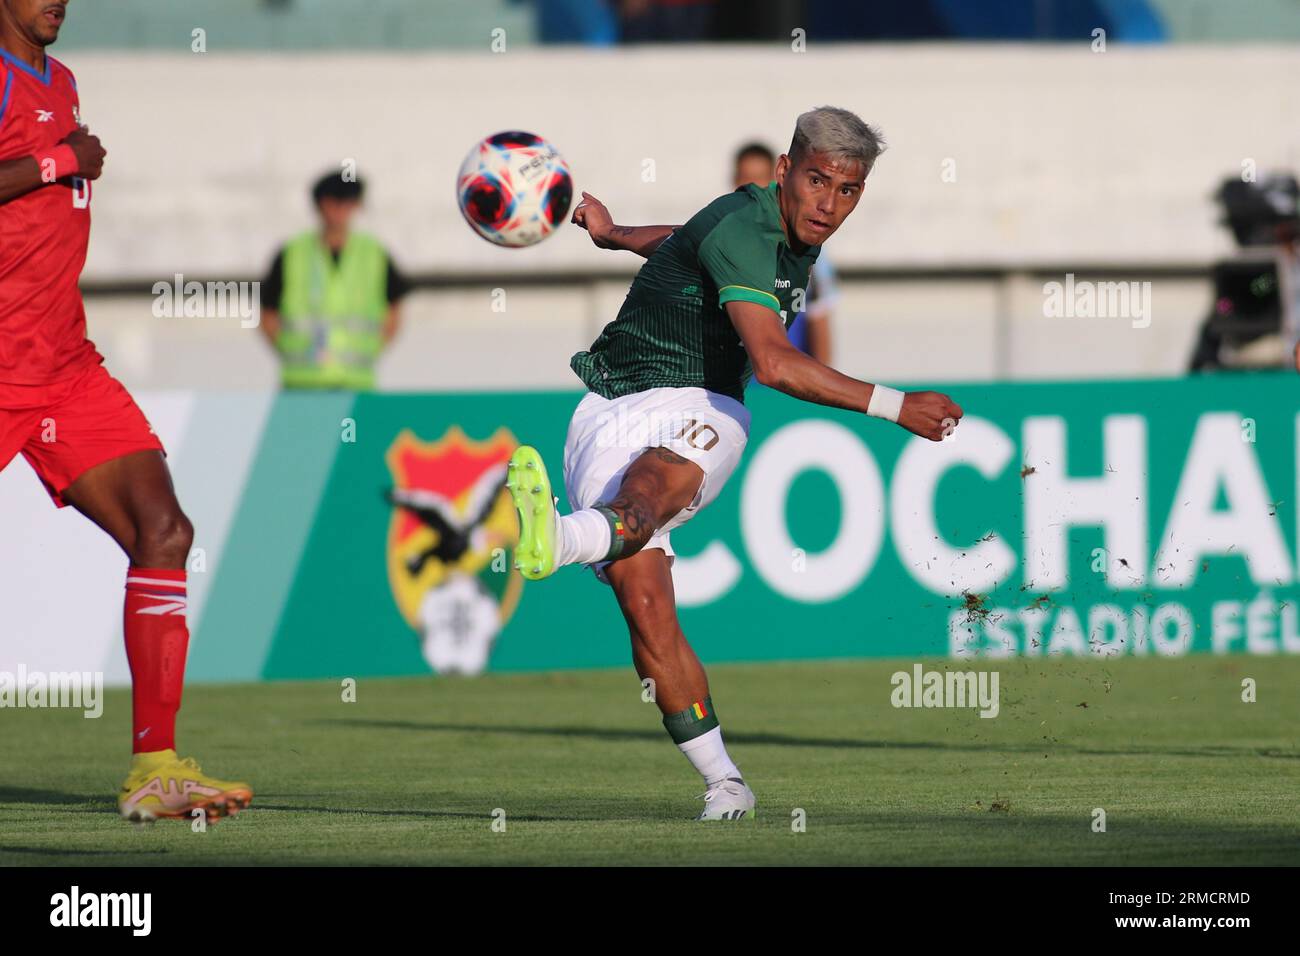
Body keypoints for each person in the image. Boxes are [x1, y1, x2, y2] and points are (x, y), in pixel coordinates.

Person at [506, 107, 962, 820]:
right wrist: (895, 406)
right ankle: (728, 781)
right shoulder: (750, 225)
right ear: (784, 171)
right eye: (816, 181)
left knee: (648, 493)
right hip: (606, 408)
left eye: (847, 190)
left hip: (706, 406)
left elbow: (681, 242)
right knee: (648, 609)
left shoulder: (775, 229)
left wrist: (614, 232)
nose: (828, 203)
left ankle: (559, 540)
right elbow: (777, 364)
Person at [0, 0, 251, 823]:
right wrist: (54, 161)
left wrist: (57, 156)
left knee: (165, 532)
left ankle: (155, 767)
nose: (58, 0)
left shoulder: (60, 79)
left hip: (64, 368)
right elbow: (39, 171)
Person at [259, 171, 409, 390]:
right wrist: (291, 352)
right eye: (333, 202)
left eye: (347, 203)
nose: (339, 211)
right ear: (319, 205)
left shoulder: (374, 253)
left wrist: (372, 349)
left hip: (356, 383)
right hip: (302, 384)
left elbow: (394, 309)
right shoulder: (292, 253)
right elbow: (268, 313)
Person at [733, 141, 838, 364]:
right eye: (744, 177)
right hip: (731, 389)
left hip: (787, 388)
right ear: (734, 181)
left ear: (776, 178)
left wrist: (821, 392)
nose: (752, 186)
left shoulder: (808, 250)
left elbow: (819, 318)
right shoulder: (719, 242)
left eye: (759, 177)